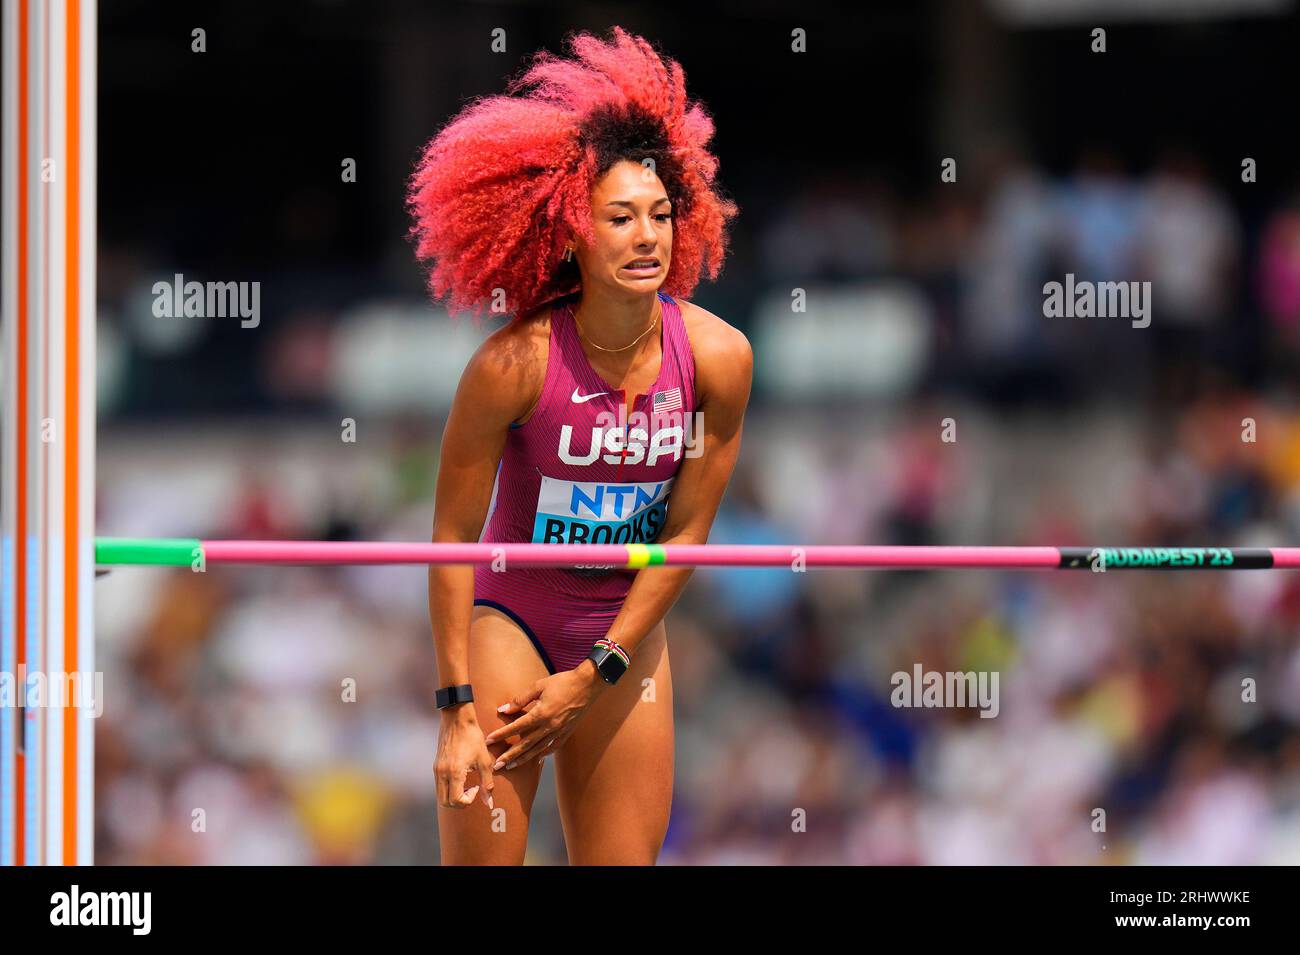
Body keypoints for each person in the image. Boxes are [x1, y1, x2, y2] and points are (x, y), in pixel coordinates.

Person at [408, 27, 752, 865]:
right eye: (621, 217)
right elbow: (451, 537)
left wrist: (601, 666)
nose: (648, 237)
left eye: (662, 216)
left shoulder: (718, 360)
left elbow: (685, 536)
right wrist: (455, 709)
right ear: (571, 234)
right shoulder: (512, 367)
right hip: (511, 622)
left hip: (622, 638)